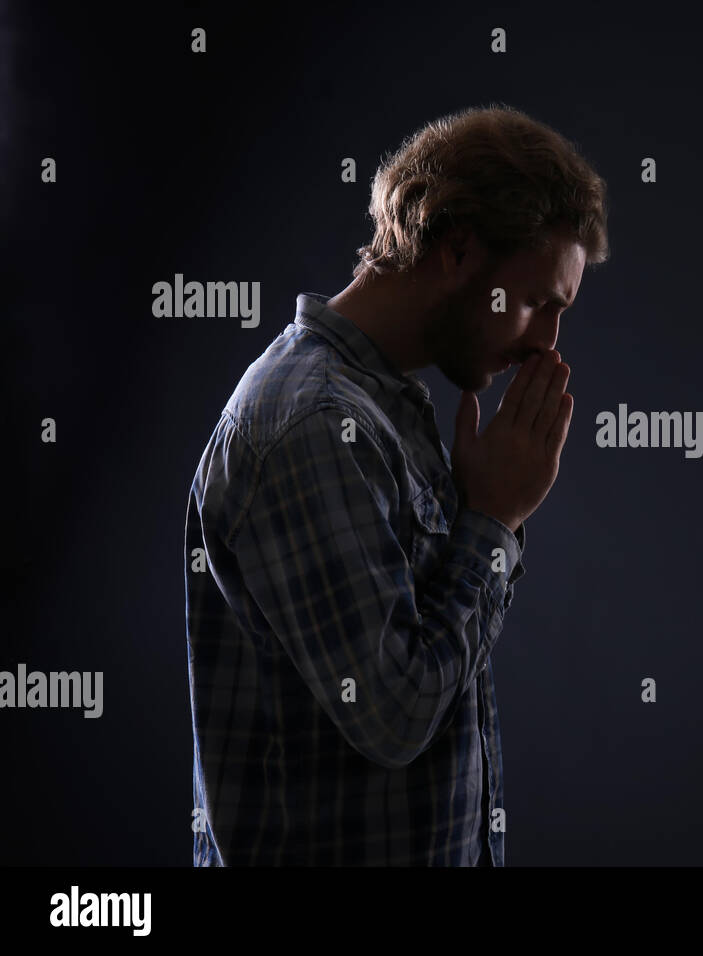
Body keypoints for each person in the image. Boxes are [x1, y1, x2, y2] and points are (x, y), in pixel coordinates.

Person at [185, 104, 608, 865]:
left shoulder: (385, 404)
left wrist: (492, 523)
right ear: (456, 252)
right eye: (538, 301)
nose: (547, 340)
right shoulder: (313, 424)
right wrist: (495, 521)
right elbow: (395, 717)